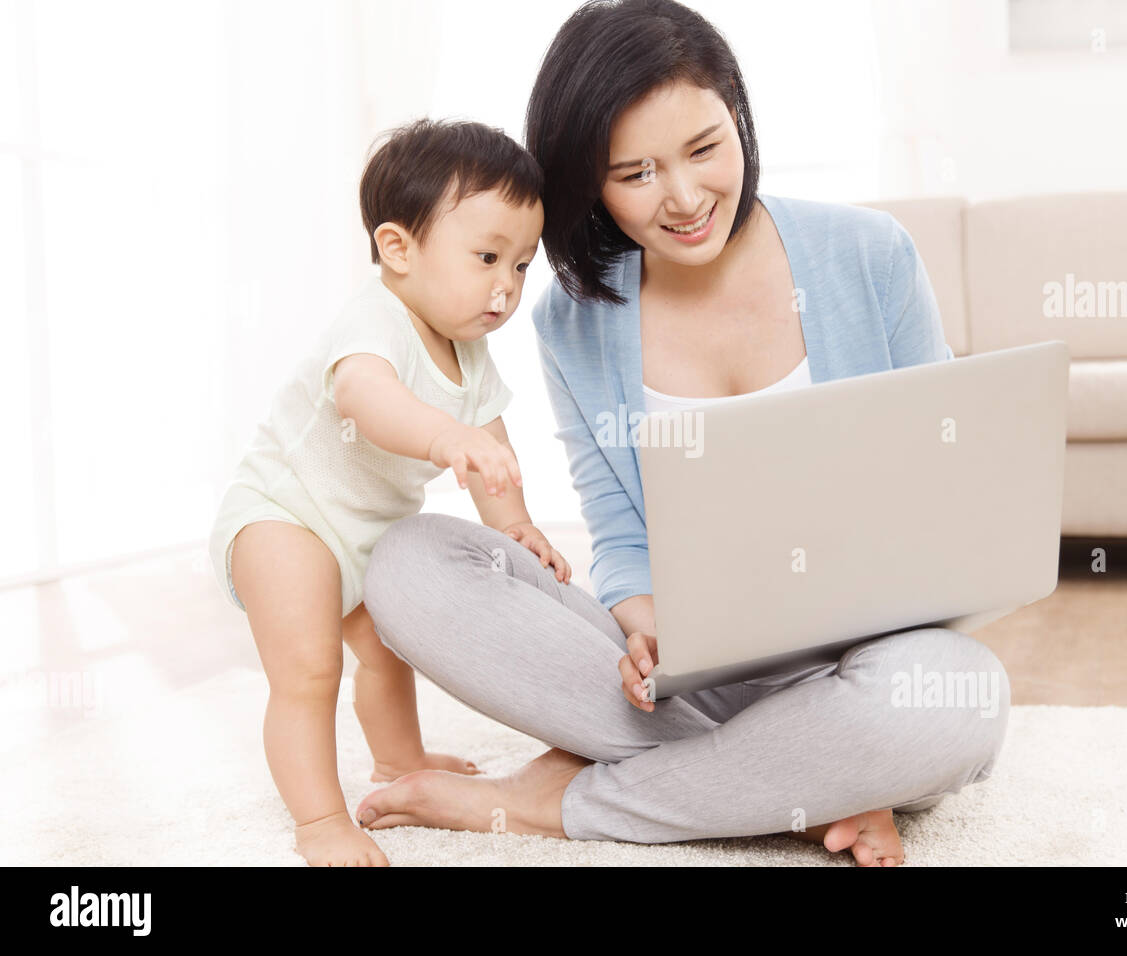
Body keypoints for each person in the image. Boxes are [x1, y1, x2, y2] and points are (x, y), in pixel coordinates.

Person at [356, 0, 1009, 866]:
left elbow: (940, 475)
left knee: (958, 698)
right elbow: (620, 532)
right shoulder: (574, 321)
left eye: (706, 147)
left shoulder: (869, 254)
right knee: (409, 564)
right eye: (636, 173)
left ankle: (563, 801)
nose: (687, 197)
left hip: (870, 664)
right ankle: (813, 786)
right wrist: (645, 623)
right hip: (690, 673)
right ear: (586, 182)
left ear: (739, 116)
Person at [207, 118, 567, 866]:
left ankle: (400, 761)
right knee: (310, 669)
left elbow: (491, 442)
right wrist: (443, 438)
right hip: (284, 515)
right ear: (398, 249)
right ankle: (319, 823)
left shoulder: (469, 347)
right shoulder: (376, 318)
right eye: (488, 256)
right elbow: (362, 399)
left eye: (523, 265)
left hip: (364, 534)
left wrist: (516, 523)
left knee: (386, 648)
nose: (506, 285)